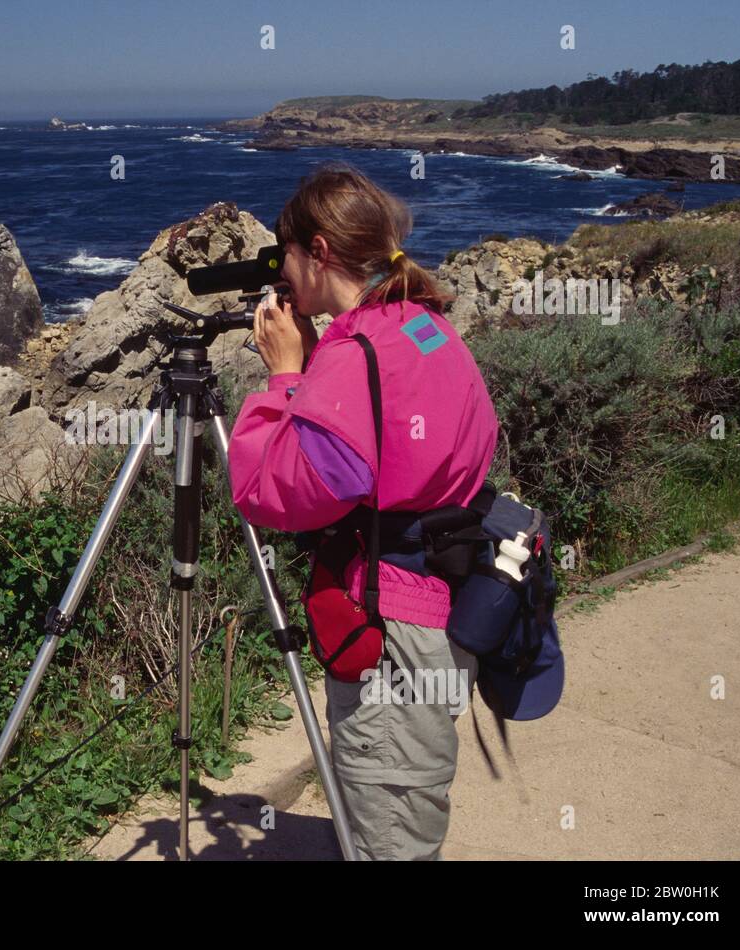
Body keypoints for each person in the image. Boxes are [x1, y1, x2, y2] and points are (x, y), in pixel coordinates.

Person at [227, 163, 499, 860]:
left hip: (392, 635)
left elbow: (272, 492)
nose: (281, 271)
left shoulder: (356, 353)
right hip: (442, 606)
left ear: (317, 252)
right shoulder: (422, 325)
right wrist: (325, 372)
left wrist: (287, 377)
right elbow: (411, 429)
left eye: (285, 254)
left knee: (388, 833)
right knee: (405, 807)